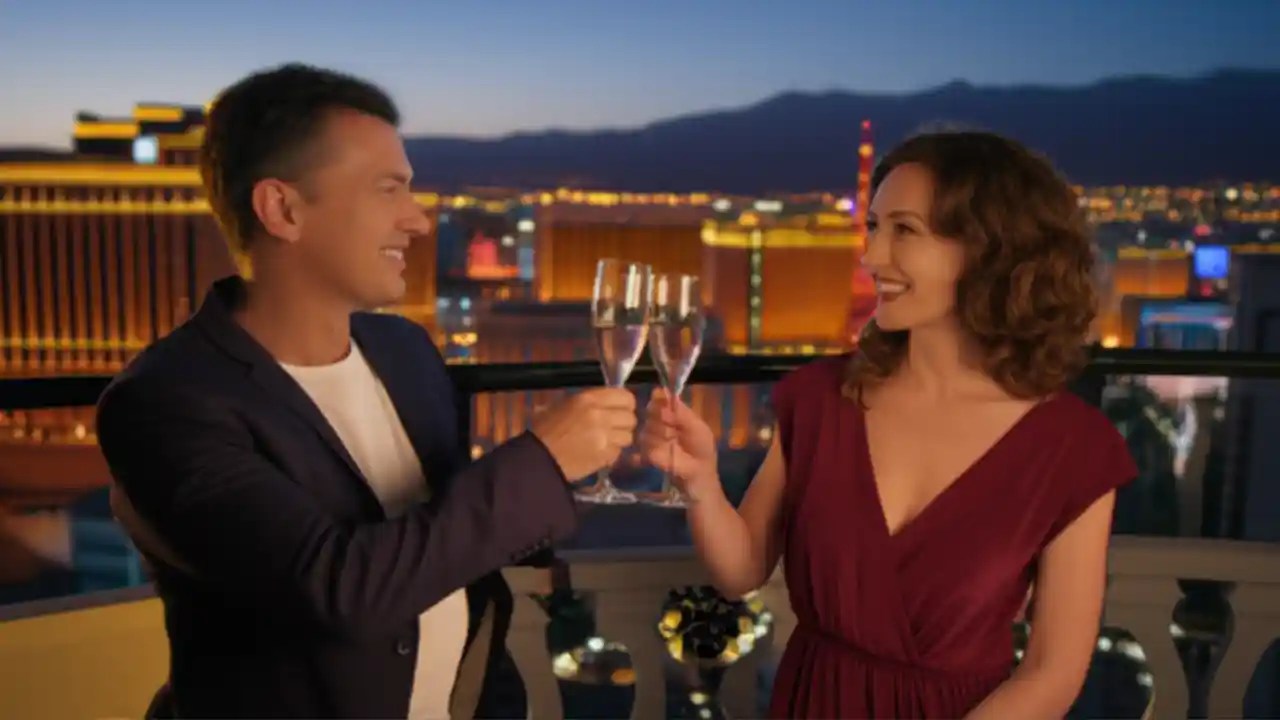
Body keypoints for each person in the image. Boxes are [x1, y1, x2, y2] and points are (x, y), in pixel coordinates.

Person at [96, 63, 637, 719]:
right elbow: (338, 591)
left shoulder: (405, 352)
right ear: (283, 209)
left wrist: (582, 465)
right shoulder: (166, 404)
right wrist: (544, 461)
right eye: (389, 190)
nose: (417, 220)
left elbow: (450, 546)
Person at [640, 130, 1137, 718]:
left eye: (904, 230)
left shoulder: (1073, 450)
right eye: (874, 227)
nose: (871, 257)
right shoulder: (823, 399)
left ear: (992, 250)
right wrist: (701, 484)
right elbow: (741, 570)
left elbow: (1051, 675)